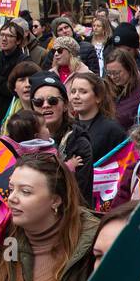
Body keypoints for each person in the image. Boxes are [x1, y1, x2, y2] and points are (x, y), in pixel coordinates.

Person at [0, 153, 98, 281]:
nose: (12, 198)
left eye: (25, 192)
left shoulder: (97, 245)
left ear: (55, 200)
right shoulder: (6, 242)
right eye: (11, 189)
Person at [28, 72, 93, 201]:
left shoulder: (78, 142)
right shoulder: (24, 140)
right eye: (38, 102)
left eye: (53, 100)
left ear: (65, 106)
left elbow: (78, 194)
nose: (46, 105)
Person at [67, 71, 127, 161]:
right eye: (73, 91)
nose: (76, 96)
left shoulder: (112, 130)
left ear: (98, 97)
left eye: (83, 92)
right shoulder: (68, 127)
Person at [103, 47, 140, 129]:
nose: (112, 77)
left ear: (129, 69)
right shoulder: (107, 87)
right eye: (109, 73)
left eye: (117, 73)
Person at [2, 59, 43, 134]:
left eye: (31, 79)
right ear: (14, 87)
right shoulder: (11, 116)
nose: (27, 84)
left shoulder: (47, 112)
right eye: (22, 80)